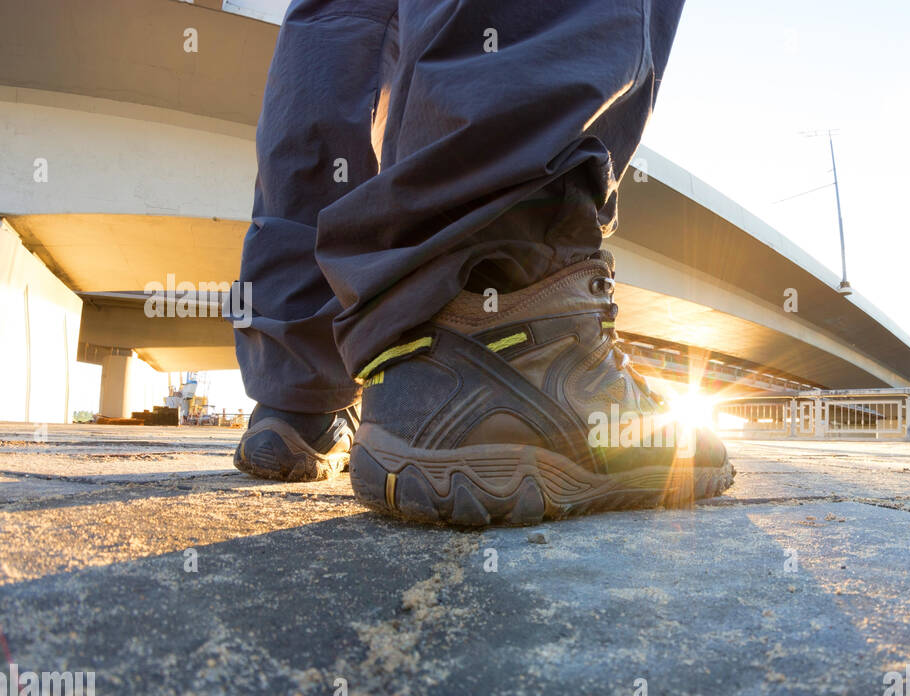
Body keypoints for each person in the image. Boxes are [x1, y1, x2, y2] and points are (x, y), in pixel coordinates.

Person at [230, 0, 733, 527]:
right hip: (500, 334)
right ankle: (510, 307)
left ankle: (301, 393)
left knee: (343, 13)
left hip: (339, 361)